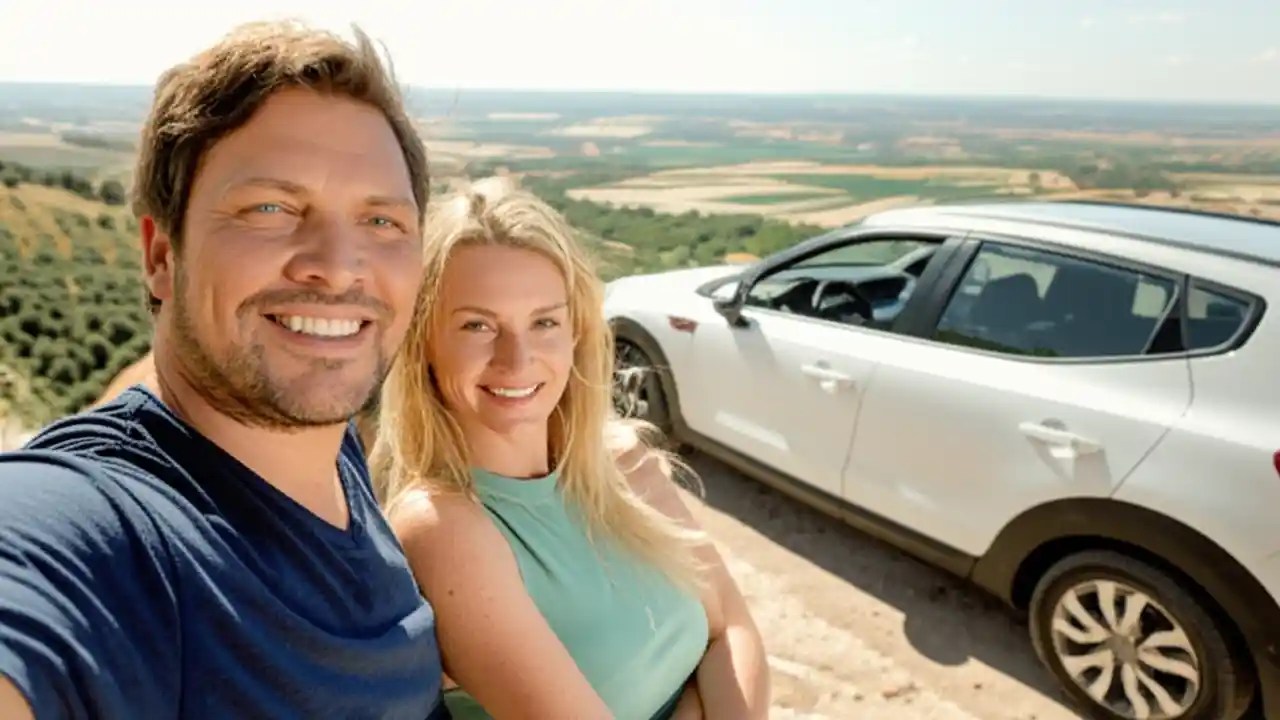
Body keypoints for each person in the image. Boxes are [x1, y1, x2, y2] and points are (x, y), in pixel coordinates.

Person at [0, 20, 450, 719]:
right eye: (270, 208)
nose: (336, 265)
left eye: (381, 222)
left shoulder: (332, 449)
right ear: (160, 256)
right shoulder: (110, 534)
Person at [369, 177, 770, 720]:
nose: (517, 358)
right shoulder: (441, 526)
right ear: (425, 347)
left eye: (544, 322)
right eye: (477, 325)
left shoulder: (623, 460)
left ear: (576, 332)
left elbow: (732, 628)